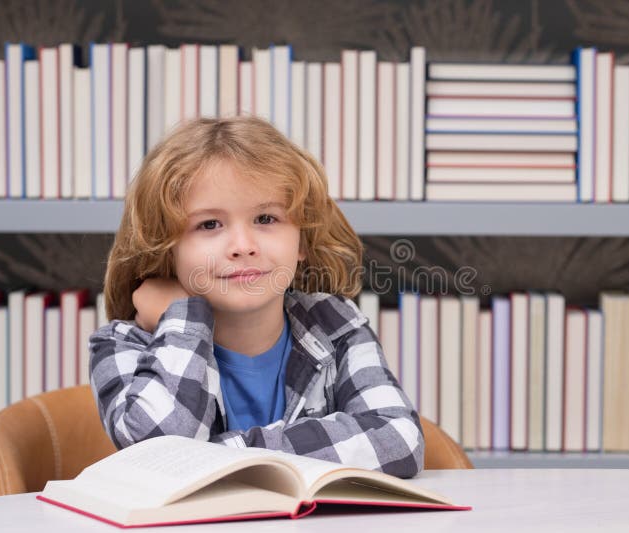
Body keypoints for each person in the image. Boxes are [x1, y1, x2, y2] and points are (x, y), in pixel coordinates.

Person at [89, 116, 424, 478]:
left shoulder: (337, 325)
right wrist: (182, 316)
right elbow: (158, 454)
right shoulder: (123, 345)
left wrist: (220, 457)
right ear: (165, 249)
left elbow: (398, 440)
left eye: (266, 218)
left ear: (302, 239)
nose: (243, 247)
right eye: (209, 224)